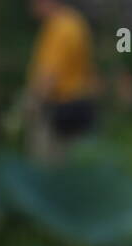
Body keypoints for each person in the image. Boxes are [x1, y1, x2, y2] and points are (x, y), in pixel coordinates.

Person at [23, 0, 99, 160]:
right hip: (81, 104)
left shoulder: (59, 27)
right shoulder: (75, 21)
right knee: (77, 161)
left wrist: (32, 104)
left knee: (49, 164)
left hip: (61, 107)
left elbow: (49, 74)